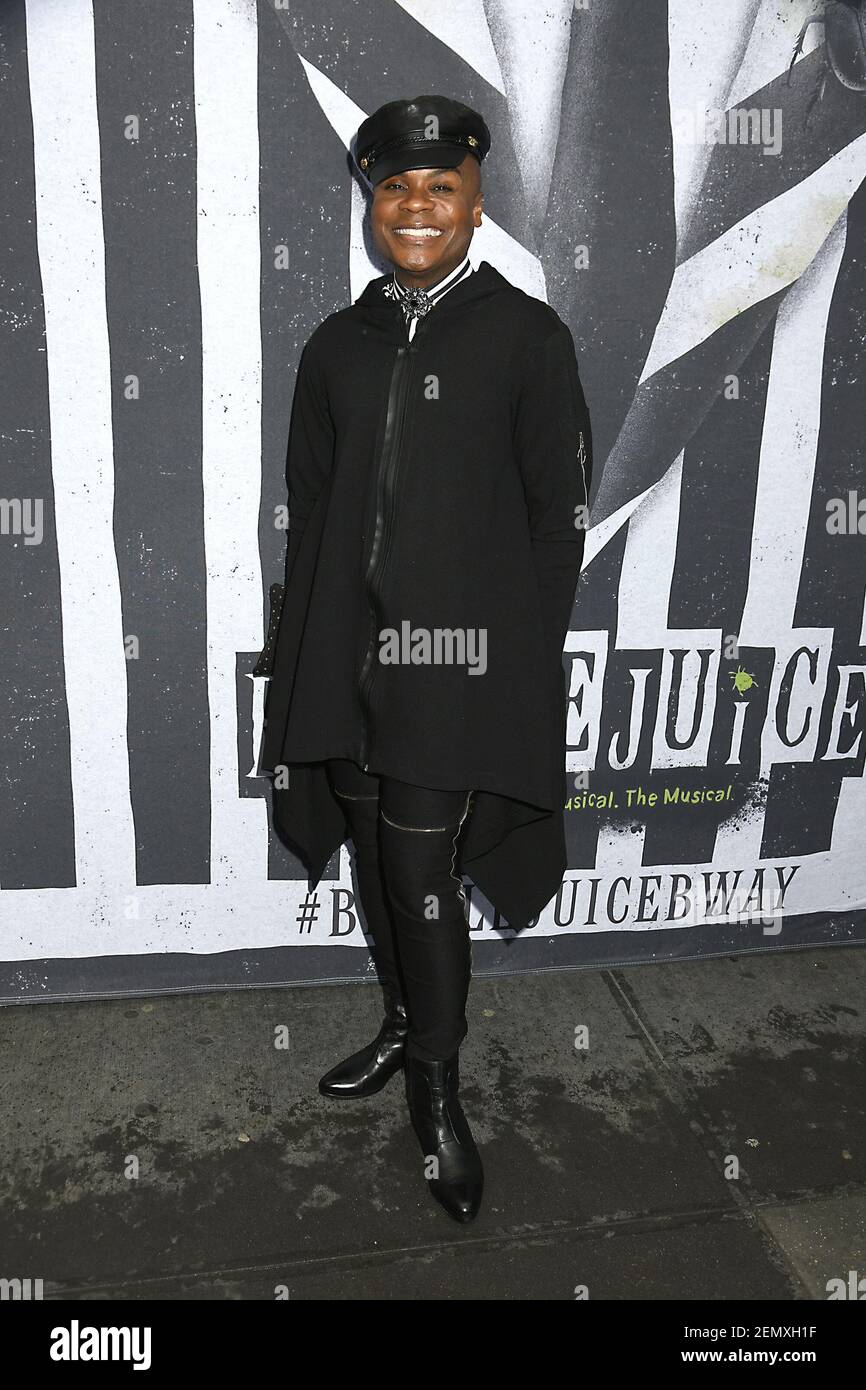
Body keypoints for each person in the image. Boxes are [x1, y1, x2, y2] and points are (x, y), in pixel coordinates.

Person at [258, 95, 592, 1224]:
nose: (414, 206)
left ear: (472, 201)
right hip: (343, 662)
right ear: (372, 202)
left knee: (420, 882)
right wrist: (306, 651)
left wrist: (513, 664)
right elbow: (310, 511)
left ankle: (440, 1093)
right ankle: (400, 1028)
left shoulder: (525, 339)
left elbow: (557, 522)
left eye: (437, 187)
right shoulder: (334, 344)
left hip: (450, 670)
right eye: (393, 186)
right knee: (367, 860)